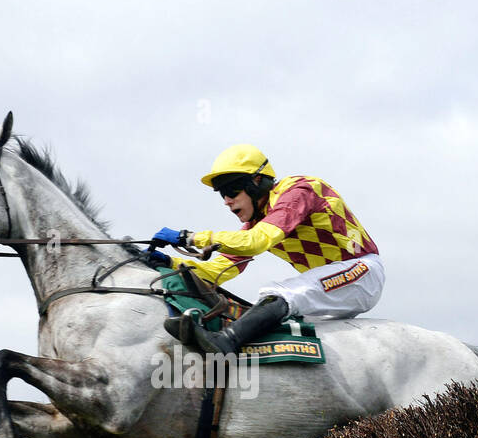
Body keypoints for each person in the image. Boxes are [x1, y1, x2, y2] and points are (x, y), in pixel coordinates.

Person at [156, 144, 385, 356]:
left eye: (231, 192)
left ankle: (225, 341)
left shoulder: (299, 191)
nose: (226, 201)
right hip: (331, 285)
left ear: (255, 182)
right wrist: (168, 263)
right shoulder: (259, 221)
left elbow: (256, 241)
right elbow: (221, 269)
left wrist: (190, 237)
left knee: (278, 292)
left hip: (361, 272)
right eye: (221, 194)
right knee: (276, 324)